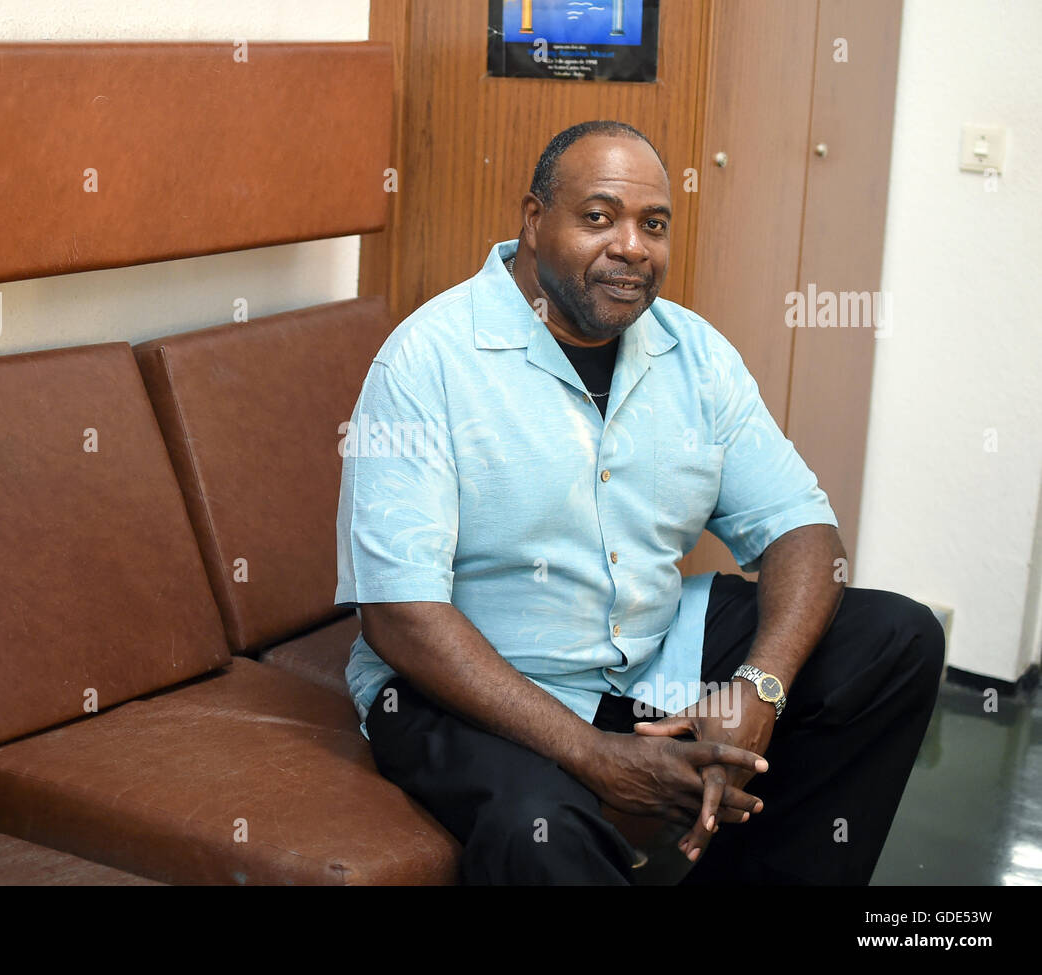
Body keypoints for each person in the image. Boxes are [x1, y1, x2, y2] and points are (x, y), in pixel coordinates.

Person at [334, 120, 944, 885]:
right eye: (598, 217)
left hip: (648, 649)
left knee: (894, 639)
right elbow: (398, 614)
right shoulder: (426, 363)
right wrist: (595, 756)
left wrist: (759, 684)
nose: (632, 247)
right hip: (476, 681)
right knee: (539, 834)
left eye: (652, 224)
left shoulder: (694, 353)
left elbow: (802, 526)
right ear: (532, 219)